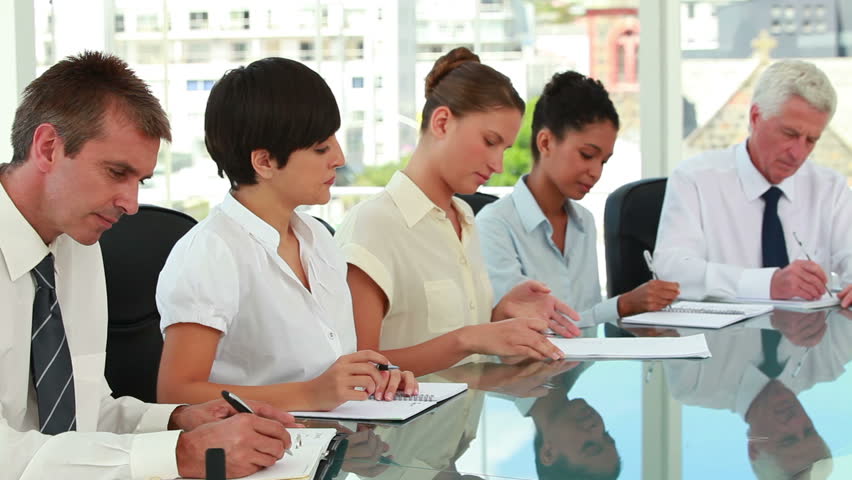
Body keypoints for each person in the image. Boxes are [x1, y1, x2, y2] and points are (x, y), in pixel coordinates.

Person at [0, 51, 295, 480]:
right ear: (48, 148)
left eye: (140, 181)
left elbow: (85, 414)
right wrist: (179, 454)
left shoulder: (78, 246)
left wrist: (178, 421)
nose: (132, 204)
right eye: (116, 172)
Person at [155, 57, 417, 412]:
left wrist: (375, 377)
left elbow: (329, 370)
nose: (339, 157)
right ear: (264, 162)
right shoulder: (211, 252)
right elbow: (176, 394)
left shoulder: (318, 238)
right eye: (321, 148)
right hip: (258, 457)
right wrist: (310, 394)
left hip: (335, 444)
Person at [337, 47, 581, 376]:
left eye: (505, 149)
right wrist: (469, 339)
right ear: (441, 123)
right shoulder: (373, 225)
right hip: (404, 428)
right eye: (489, 141)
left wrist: (497, 316)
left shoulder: (465, 217)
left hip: (459, 425)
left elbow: (439, 335)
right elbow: (357, 369)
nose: (498, 165)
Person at [476, 71, 680, 326]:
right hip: (524, 365)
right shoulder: (494, 225)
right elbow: (529, 326)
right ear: (546, 142)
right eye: (586, 155)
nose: (596, 172)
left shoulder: (584, 221)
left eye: (603, 161)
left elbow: (587, 320)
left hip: (581, 364)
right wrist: (622, 305)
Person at [654, 59, 852, 306]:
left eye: (811, 140)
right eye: (790, 134)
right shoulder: (695, 178)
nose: (798, 153)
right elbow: (671, 270)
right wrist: (767, 284)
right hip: (722, 340)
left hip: (808, 339)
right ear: (756, 117)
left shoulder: (829, 188)